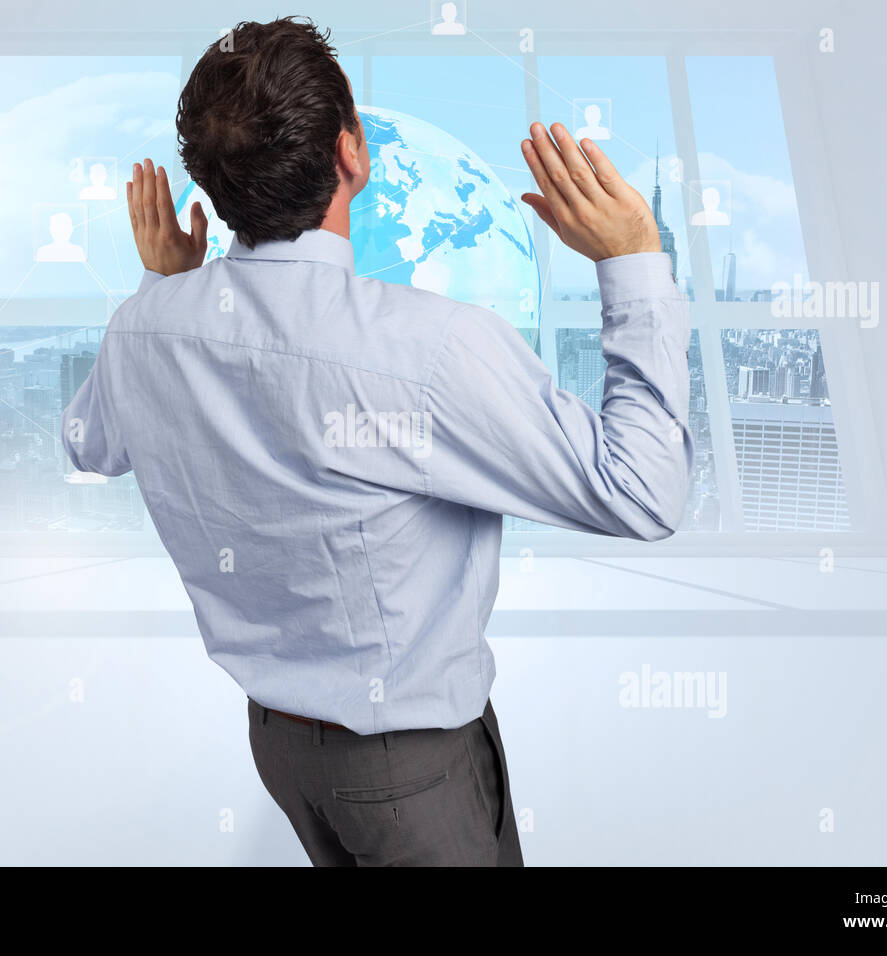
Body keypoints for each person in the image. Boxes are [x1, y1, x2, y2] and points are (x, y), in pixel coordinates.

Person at [62, 17, 692, 867]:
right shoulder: (431, 352)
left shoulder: (145, 329)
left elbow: (90, 446)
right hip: (411, 774)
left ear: (210, 191)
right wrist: (634, 263)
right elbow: (643, 494)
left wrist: (162, 289)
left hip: (279, 753)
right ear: (352, 155)